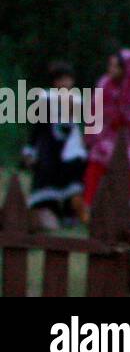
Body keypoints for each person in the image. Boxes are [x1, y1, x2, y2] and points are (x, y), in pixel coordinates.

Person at [82, 48, 130, 207]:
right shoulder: (105, 84)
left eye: (115, 67)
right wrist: (91, 138)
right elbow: (94, 114)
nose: (111, 70)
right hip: (108, 134)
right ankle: (91, 205)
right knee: (98, 156)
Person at [21, 62, 87, 229]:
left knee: (72, 184)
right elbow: (38, 127)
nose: (64, 83)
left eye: (67, 79)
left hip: (71, 150)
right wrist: (30, 150)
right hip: (49, 149)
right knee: (47, 182)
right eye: (60, 79)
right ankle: (48, 214)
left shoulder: (77, 100)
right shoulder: (46, 98)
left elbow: (77, 126)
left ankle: (70, 215)